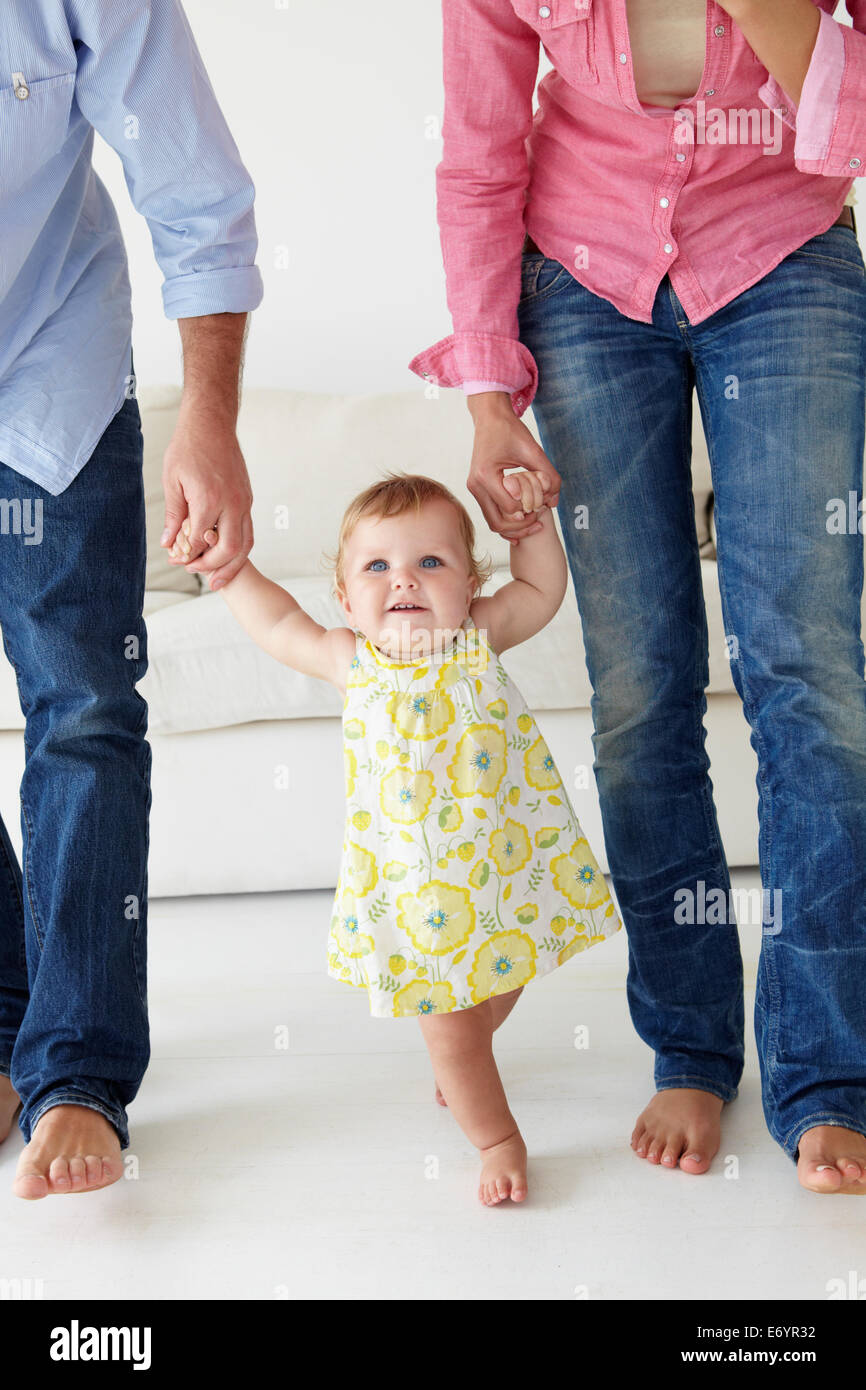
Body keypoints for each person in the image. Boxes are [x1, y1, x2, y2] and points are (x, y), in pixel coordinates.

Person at [407, 0, 866, 1193]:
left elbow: (846, 114)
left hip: (783, 255)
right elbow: (478, 146)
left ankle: (827, 1072)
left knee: (807, 676)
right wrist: (485, 384)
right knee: (640, 687)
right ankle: (690, 1042)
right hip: (581, 278)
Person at [176, 473, 622, 1203]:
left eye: (431, 563)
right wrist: (231, 571)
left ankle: (467, 1055)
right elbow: (279, 623)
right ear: (348, 599)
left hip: (506, 869)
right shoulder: (354, 661)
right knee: (449, 1024)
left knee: (503, 980)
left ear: (471, 583)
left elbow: (542, 590)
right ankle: (497, 1136)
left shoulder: (477, 636)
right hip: (419, 895)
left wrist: (531, 527)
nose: (404, 581)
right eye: (377, 567)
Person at [0, 0, 262, 1199]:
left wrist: (209, 417)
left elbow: (196, 191)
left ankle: (76, 1075)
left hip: (46, 369)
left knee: (84, 708)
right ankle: (9, 1023)